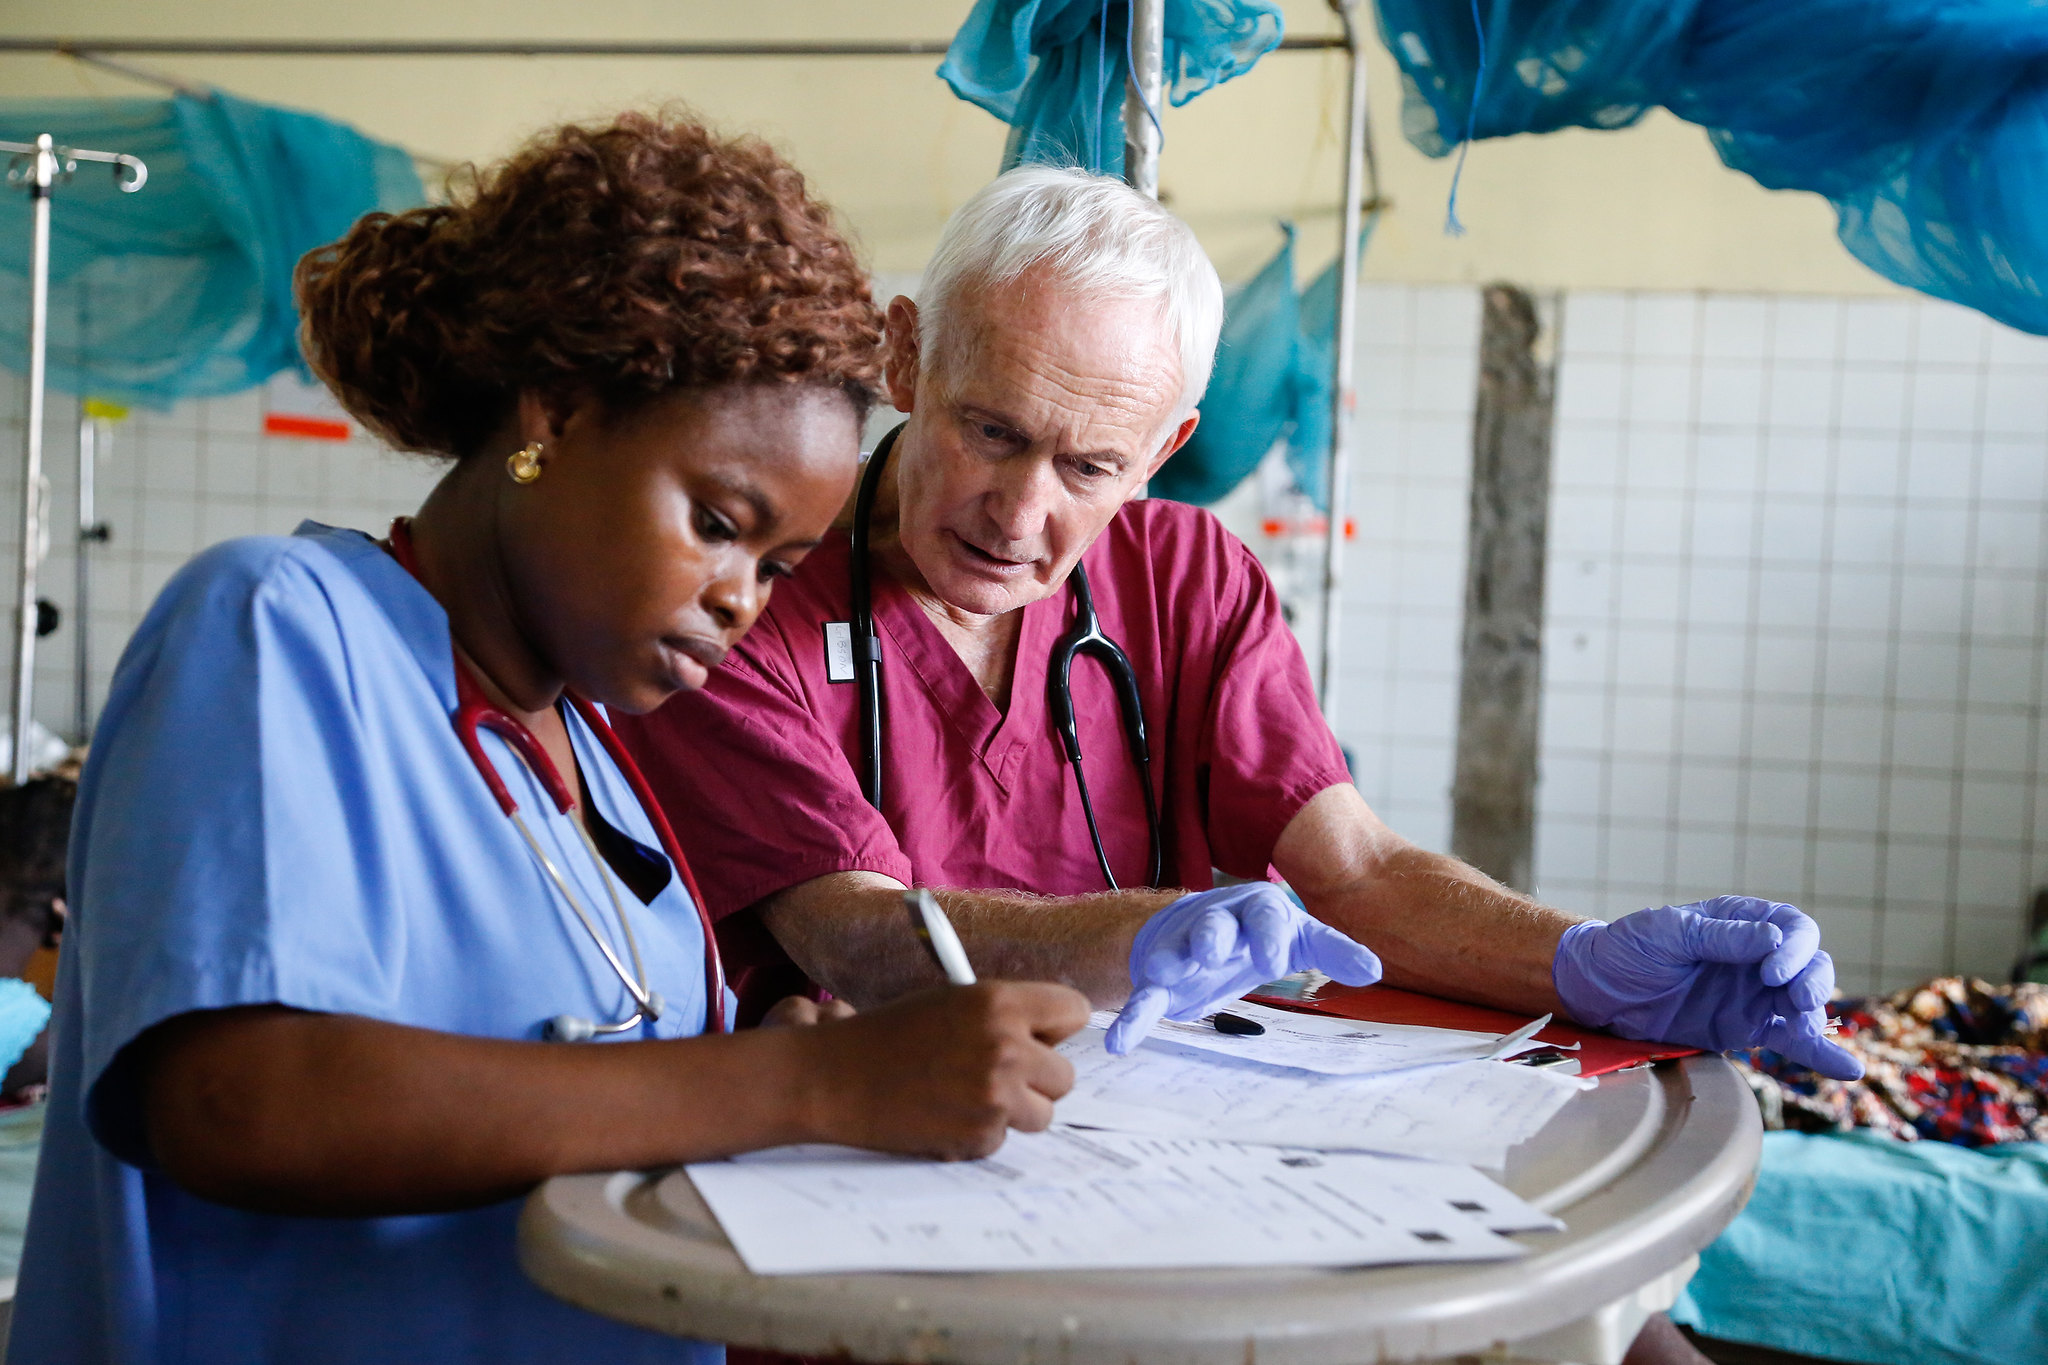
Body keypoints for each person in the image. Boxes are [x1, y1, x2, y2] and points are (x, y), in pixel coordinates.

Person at [8, 115, 1106, 1365]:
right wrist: (800, 1089)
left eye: (782, 563)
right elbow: (236, 1099)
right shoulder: (282, 630)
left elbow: (586, 1095)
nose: (743, 599)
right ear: (559, 413)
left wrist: (783, 1072)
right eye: (717, 521)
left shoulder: (602, 775)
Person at [620, 167, 1862, 1081]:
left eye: (1089, 466)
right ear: (905, 359)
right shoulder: (750, 593)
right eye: (989, 431)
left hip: (1166, 1136)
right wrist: (1152, 930)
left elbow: (1357, 873)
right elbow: (854, 931)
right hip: (870, 1159)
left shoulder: (1185, 578)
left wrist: (1583, 962)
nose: (1021, 512)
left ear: (1162, 452)